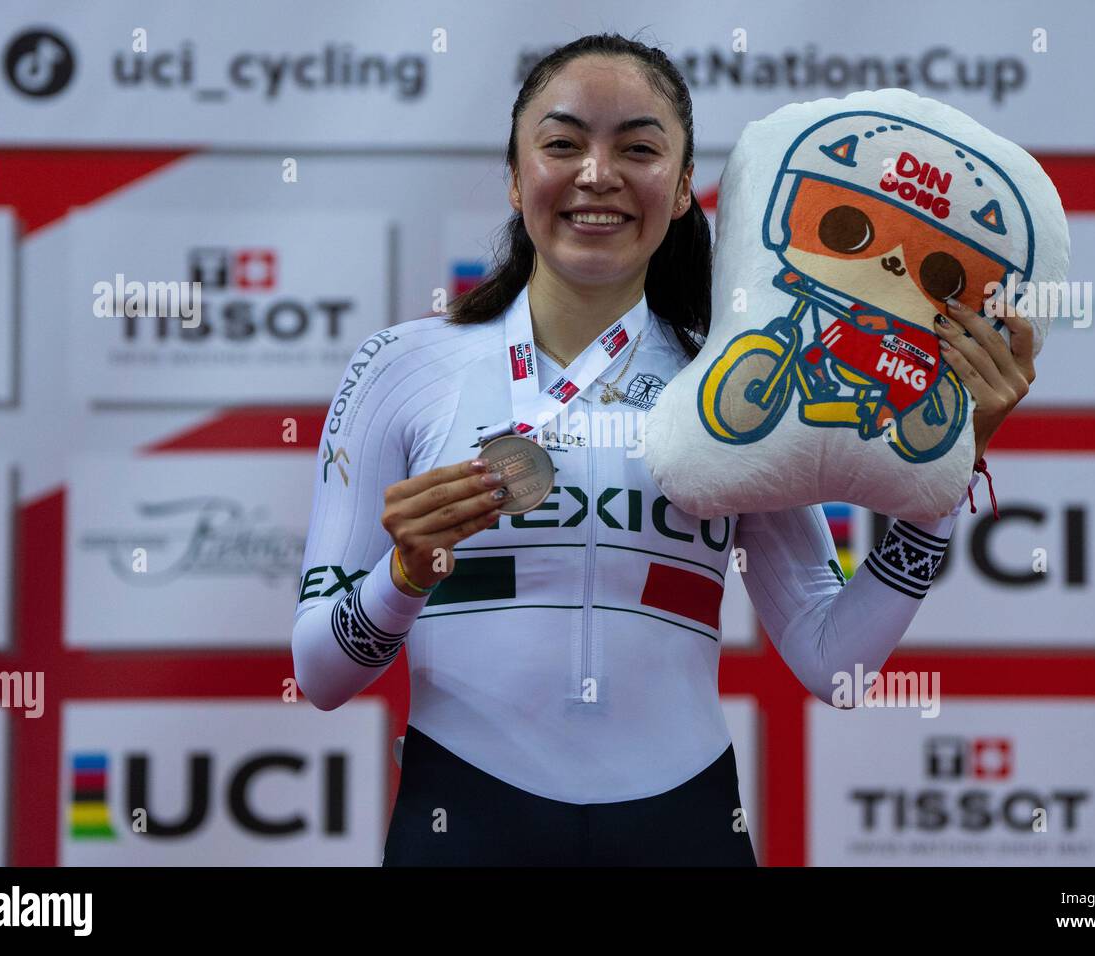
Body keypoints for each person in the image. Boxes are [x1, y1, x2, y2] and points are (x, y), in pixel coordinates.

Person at [291, 33, 1035, 867]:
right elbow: (320, 676)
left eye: (638, 148)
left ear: (683, 188)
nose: (598, 174)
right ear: (514, 174)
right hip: (465, 821)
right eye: (563, 143)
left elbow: (839, 666)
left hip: (682, 828)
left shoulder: (732, 395)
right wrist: (404, 577)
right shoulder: (404, 367)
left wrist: (947, 475)